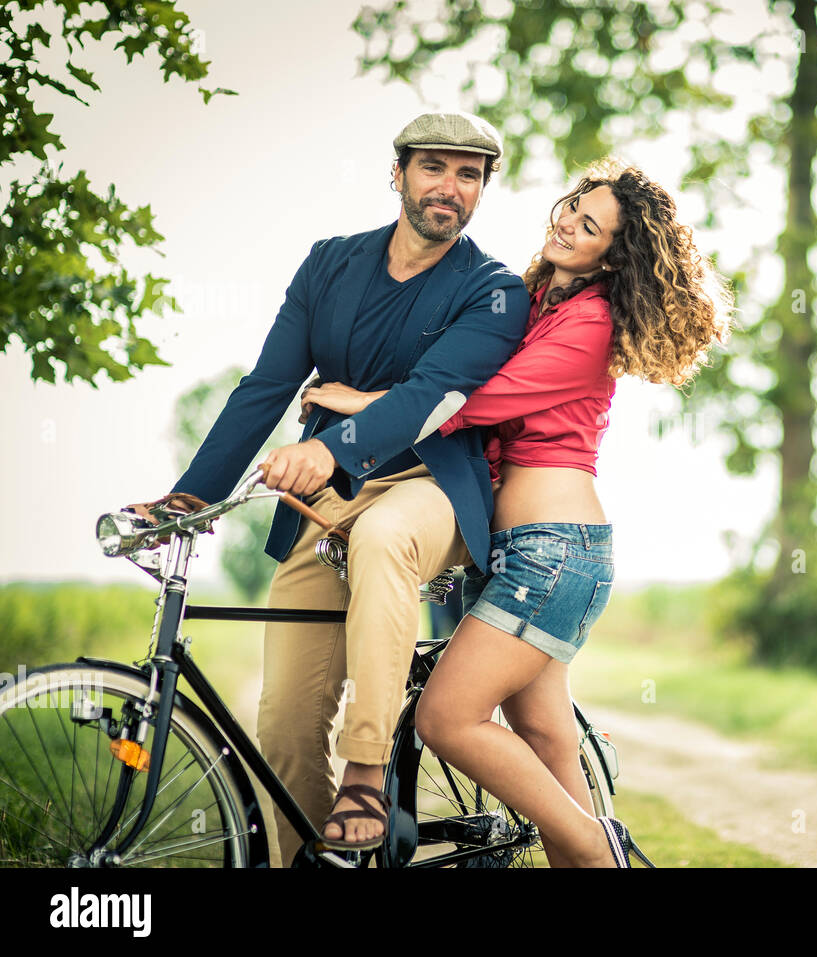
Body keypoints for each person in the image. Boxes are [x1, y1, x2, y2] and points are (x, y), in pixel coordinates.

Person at [127, 111, 531, 866]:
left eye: (469, 174)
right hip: (326, 505)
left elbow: (430, 401)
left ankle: (369, 773)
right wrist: (189, 496)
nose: (450, 187)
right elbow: (269, 385)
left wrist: (329, 441)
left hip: (430, 489)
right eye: (434, 168)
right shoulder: (328, 266)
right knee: (283, 719)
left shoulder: (496, 292)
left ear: (483, 189)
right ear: (400, 172)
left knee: (385, 536)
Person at [301, 159, 733, 865]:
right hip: (521, 550)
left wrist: (364, 403)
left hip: (553, 551)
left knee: (446, 717)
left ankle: (602, 844)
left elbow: (478, 401)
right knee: (547, 742)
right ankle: (596, 852)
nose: (567, 222)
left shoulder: (591, 321)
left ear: (612, 255)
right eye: (571, 206)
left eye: (589, 225)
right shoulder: (538, 304)